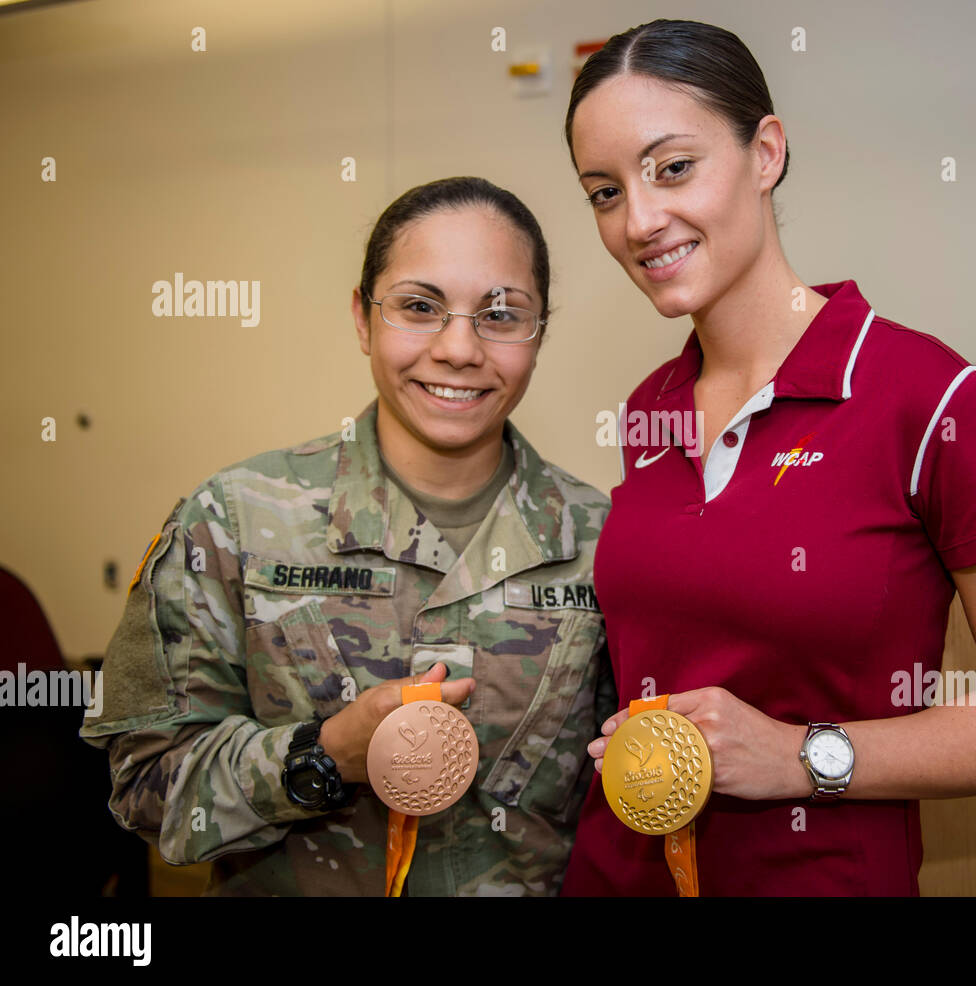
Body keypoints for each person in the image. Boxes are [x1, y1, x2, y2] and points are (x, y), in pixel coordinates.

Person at [559, 19, 976, 896]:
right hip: (616, 874)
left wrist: (797, 755)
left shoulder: (932, 401)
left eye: (672, 168)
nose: (639, 220)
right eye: (603, 192)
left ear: (766, 152)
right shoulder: (649, 408)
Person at [80, 177, 614, 896]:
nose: (460, 348)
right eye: (420, 307)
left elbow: (630, 793)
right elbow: (146, 791)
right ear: (363, 319)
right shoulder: (234, 520)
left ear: (538, 332)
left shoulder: (605, 540)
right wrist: (325, 755)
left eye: (499, 313)